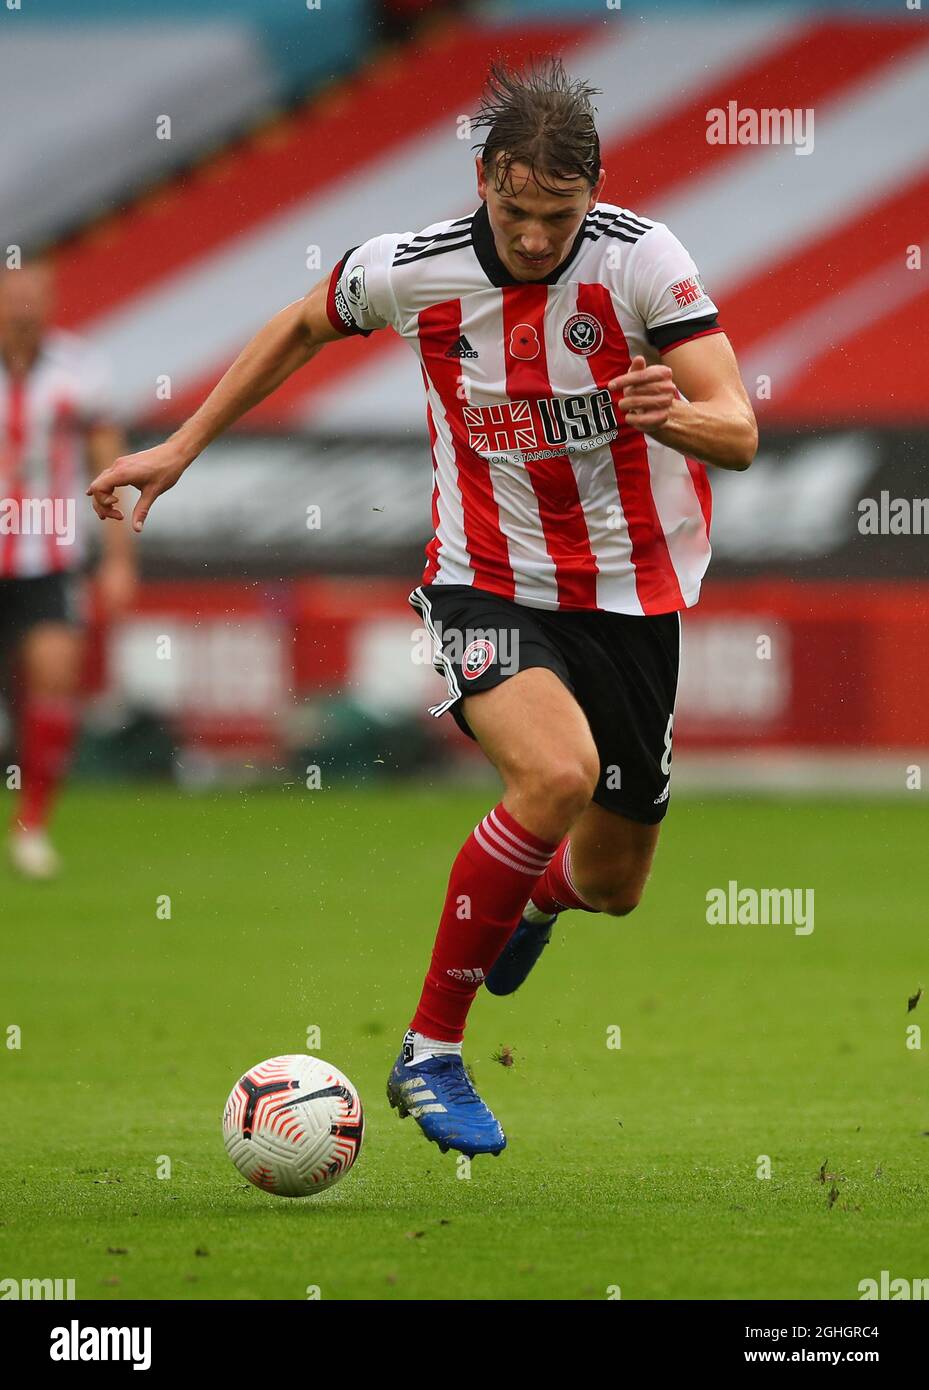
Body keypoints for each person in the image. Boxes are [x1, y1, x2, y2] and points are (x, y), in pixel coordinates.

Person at [87, 60, 756, 1156]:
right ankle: (429, 1051)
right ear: (483, 177)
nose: (536, 237)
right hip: (482, 576)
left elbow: (737, 429)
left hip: (633, 595)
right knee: (551, 775)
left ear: (591, 196)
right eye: (518, 210)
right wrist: (180, 446)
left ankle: (527, 907)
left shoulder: (642, 259)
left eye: (559, 215)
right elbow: (303, 322)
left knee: (610, 882)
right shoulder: (414, 268)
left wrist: (671, 415)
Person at [0, 259, 136, 878]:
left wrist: (118, 558)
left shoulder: (81, 369)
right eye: (15, 295)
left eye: (36, 295)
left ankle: (32, 825)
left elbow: (108, 465)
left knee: (54, 676)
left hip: (48, 554)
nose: (26, 306)